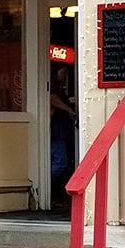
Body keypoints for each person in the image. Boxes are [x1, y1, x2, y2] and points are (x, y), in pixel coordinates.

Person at [49, 65, 77, 209]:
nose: (66, 76)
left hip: (63, 132)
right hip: (56, 132)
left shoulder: (60, 89)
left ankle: (55, 195)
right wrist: (68, 109)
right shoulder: (52, 85)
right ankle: (44, 185)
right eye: (63, 72)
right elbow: (51, 98)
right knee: (60, 163)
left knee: (63, 164)